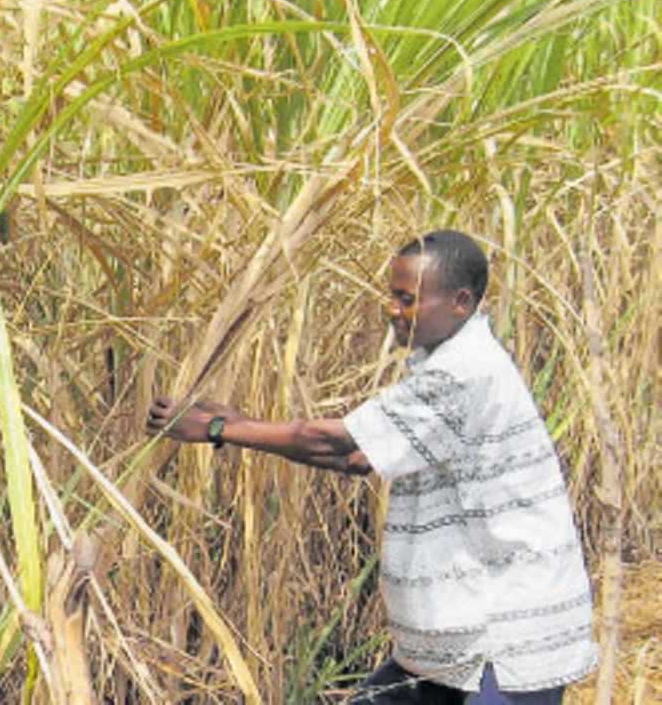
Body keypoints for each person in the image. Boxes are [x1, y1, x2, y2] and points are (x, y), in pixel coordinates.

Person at [146, 230, 597, 704]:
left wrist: (218, 428)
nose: (391, 308)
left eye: (407, 298)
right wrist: (243, 425)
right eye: (391, 295)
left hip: (505, 642)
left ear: (460, 301)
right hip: (448, 643)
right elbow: (356, 457)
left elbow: (333, 438)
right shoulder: (439, 362)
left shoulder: (465, 372)